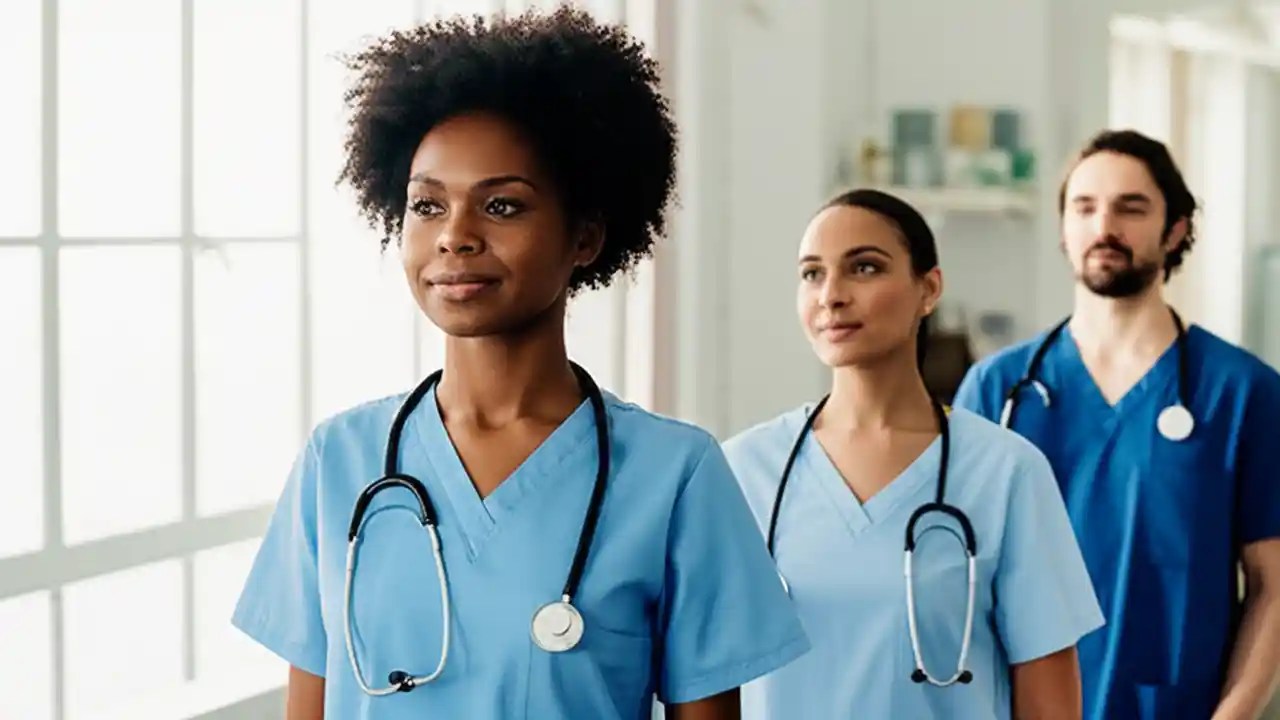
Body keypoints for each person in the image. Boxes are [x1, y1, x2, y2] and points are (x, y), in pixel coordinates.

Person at [230, 8, 809, 720]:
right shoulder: (338, 463)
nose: (455, 238)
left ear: (587, 236)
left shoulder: (675, 476)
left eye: (502, 205)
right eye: (426, 206)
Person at [723, 188, 1104, 719]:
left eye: (864, 268)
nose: (831, 294)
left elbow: (1050, 705)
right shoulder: (742, 471)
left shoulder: (1005, 472)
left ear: (928, 289)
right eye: (812, 273)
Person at [954, 129, 1280, 719]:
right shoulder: (998, 388)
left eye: (1131, 207)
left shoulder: (1242, 392)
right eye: (1084, 207)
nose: (1105, 225)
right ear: (1062, 229)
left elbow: (1273, 588)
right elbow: (958, 581)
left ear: (1175, 229)